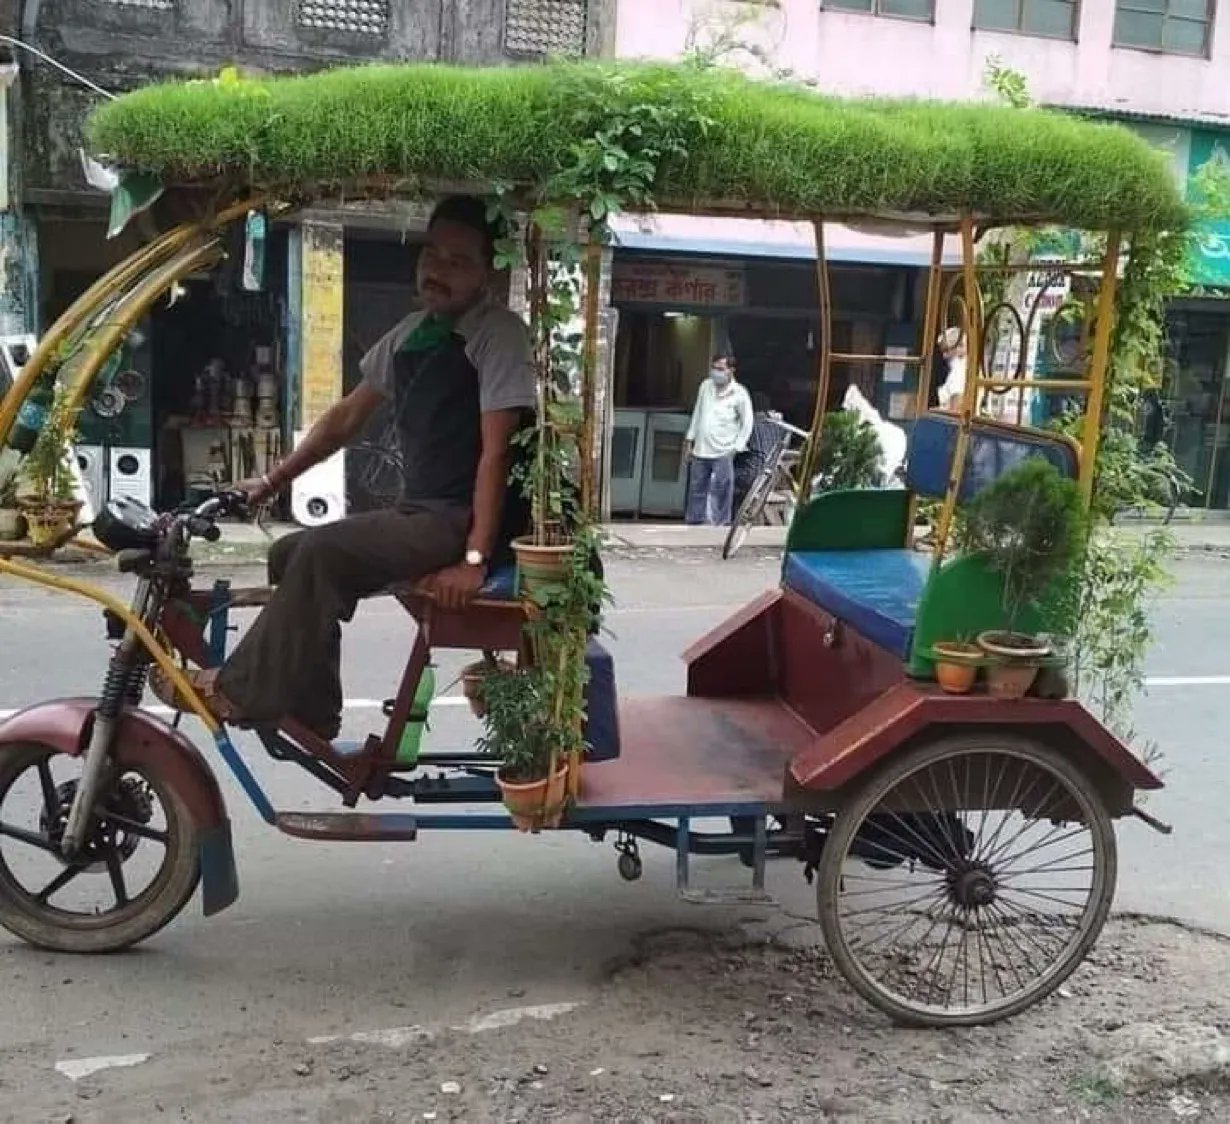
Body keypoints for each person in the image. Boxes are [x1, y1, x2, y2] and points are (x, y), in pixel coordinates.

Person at [151, 195, 535, 740]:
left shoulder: (496, 334)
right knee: (289, 551)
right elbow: (346, 418)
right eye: (432, 255)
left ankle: (239, 691)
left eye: (458, 262)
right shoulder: (411, 331)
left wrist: (474, 559)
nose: (437, 270)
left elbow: (497, 452)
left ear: (488, 273)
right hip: (422, 510)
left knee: (324, 552)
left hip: (462, 518)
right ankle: (313, 708)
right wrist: (272, 480)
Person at [683, 351, 753, 526]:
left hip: (724, 449)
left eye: (721, 369)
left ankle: (721, 526)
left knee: (722, 489)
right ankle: (694, 523)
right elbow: (698, 412)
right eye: (714, 368)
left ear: (731, 370)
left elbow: (747, 422)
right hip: (701, 447)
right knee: (696, 489)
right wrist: (689, 439)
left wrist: (737, 447)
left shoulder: (739, 393)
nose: (716, 372)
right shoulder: (706, 386)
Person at [732, 391, 781, 514]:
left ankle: (729, 518)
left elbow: (737, 448)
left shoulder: (749, 425)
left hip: (752, 475)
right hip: (771, 475)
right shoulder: (778, 427)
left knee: (722, 476)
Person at [936, 326, 969, 412]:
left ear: (960, 347)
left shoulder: (958, 371)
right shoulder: (962, 368)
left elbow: (956, 409)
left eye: (946, 351)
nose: (944, 356)